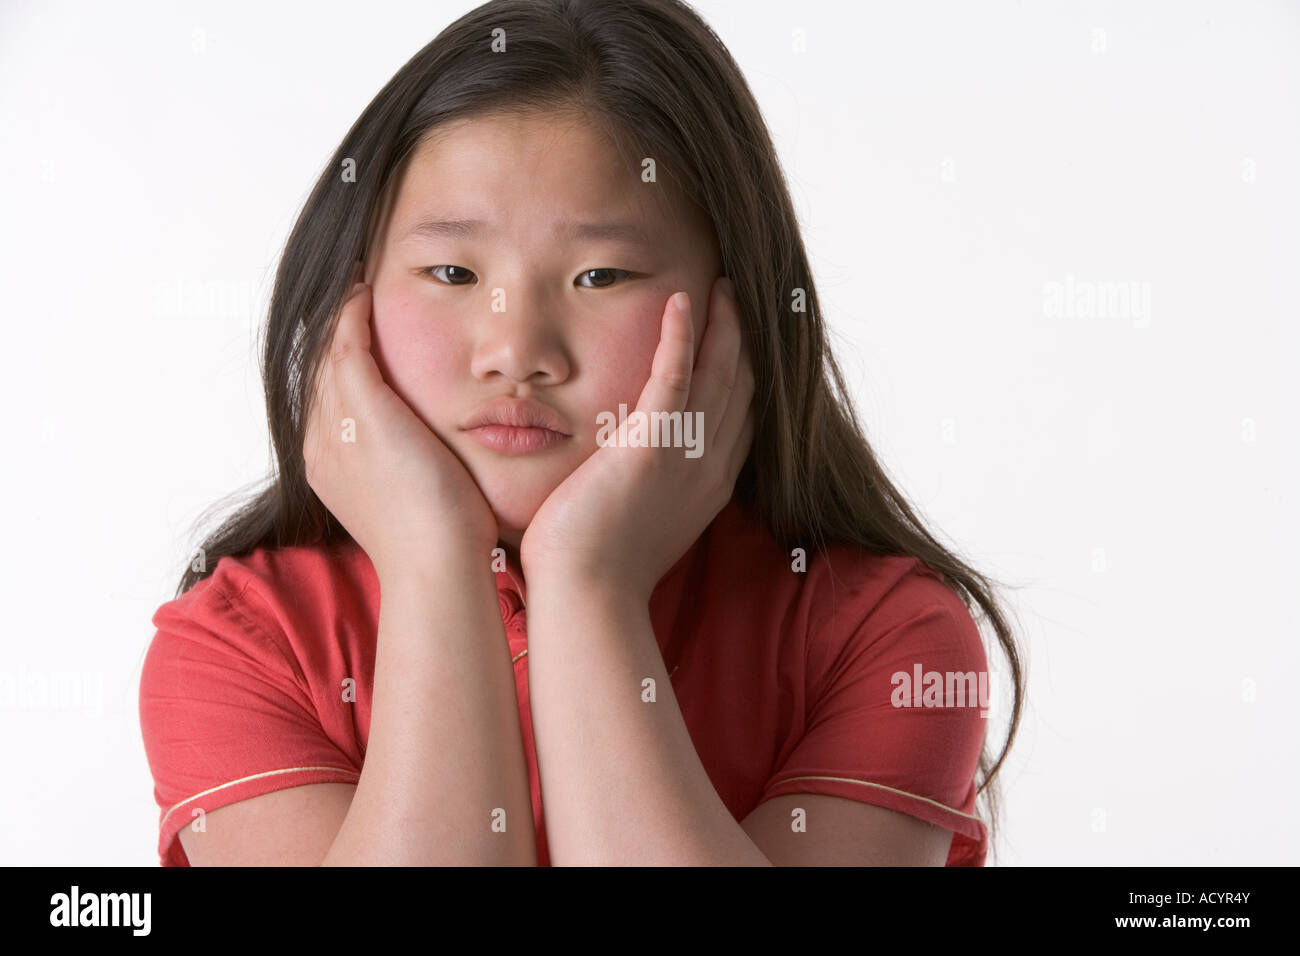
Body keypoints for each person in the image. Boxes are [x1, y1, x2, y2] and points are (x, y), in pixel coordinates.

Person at [139, 0, 1024, 866]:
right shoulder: (241, 647)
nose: (516, 351)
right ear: (349, 295)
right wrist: (432, 563)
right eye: (452, 270)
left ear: (734, 315)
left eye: (601, 275)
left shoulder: (884, 640)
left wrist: (585, 585)